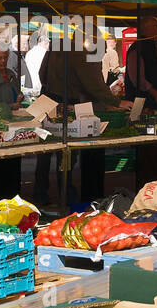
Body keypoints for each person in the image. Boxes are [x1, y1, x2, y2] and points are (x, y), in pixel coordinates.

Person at [34, 42, 131, 205]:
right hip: (66, 104)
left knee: (44, 153)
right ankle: (67, 198)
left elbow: (41, 73)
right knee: (66, 155)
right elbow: (93, 84)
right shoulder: (81, 52)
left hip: (47, 99)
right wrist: (115, 102)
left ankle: (40, 196)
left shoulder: (56, 47)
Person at [124, 16, 157, 110]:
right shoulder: (137, 49)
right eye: (155, 26)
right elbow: (137, 78)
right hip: (145, 104)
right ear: (145, 29)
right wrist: (156, 94)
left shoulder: (156, 47)